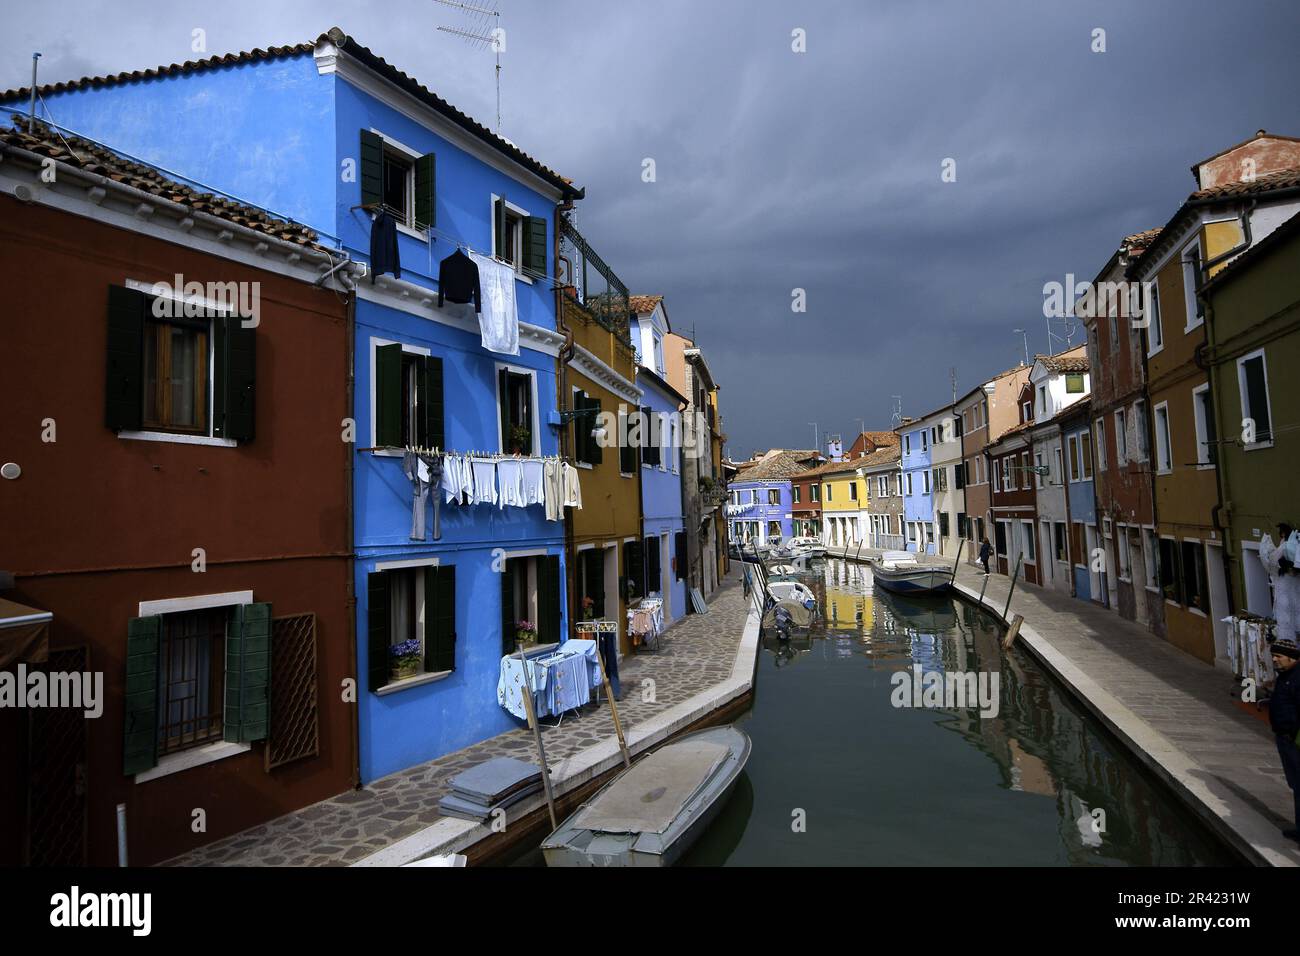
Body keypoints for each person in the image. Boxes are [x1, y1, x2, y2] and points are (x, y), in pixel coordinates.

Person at [1268, 636, 1300, 842]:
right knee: (1297, 786)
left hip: (1294, 741)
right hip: (1285, 739)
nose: (1274, 660)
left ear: (1291, 658)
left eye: (1278, 656)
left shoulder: (1297, 679)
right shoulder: (1285, 675)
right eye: (1273, 656)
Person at [1260, 522, 1300, 646]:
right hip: (1294, 599)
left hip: (1285, 602)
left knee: (1287, 633)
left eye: (1281, 535)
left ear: (1283, 534)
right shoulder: (1291, 547)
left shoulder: (1285, 547)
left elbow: (1272, 560)